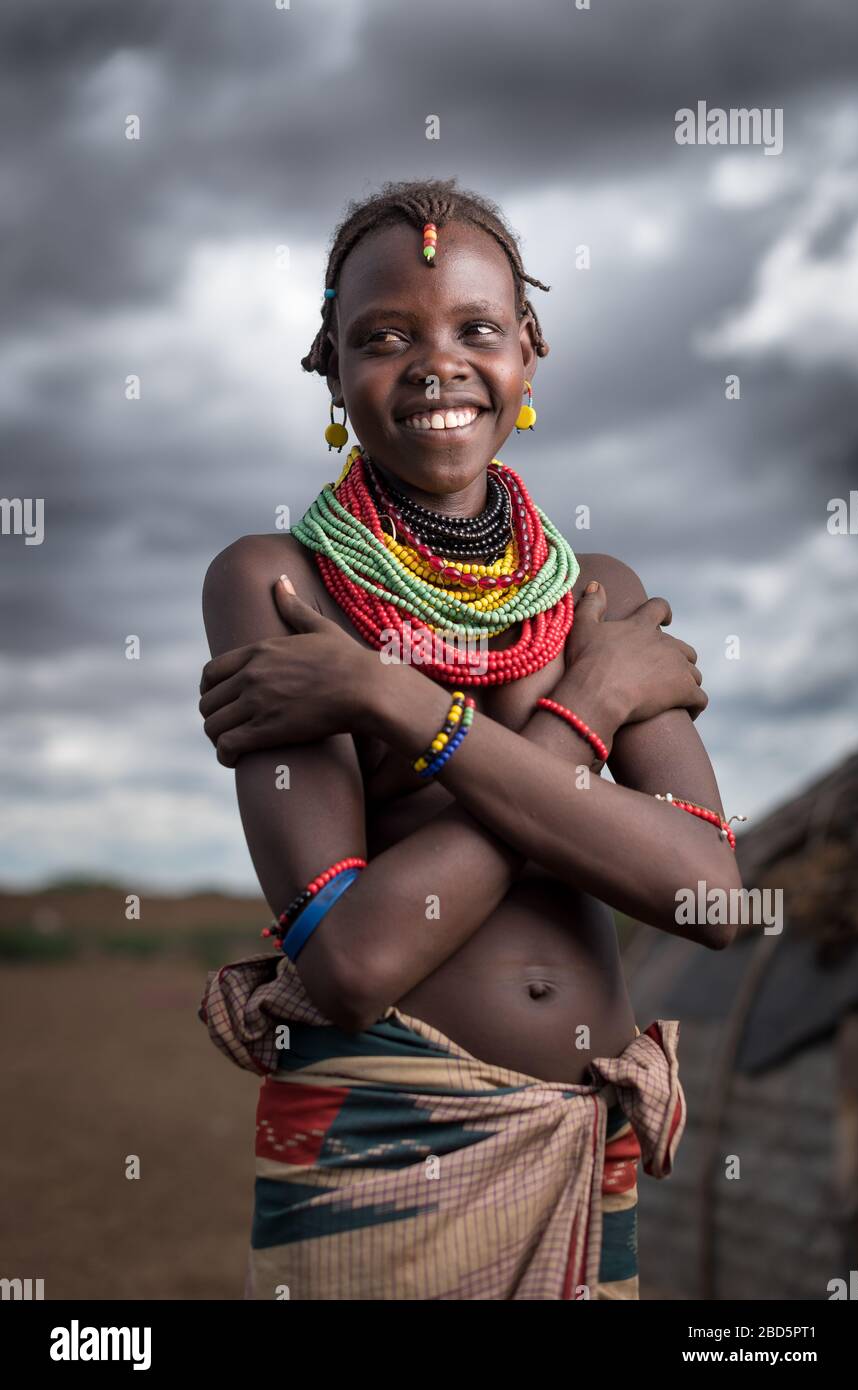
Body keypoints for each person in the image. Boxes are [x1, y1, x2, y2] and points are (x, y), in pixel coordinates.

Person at [197, 178, 742, 1301]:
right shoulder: (279, 584)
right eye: (385, 336)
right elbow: (349, 963)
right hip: (382, 1141)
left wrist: (395, 705)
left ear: (530, 353)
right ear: (332, 369)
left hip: (588, 1146)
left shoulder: (600, 594)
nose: (436, 363)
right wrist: (583, 718)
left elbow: (712, 900)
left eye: (476, 330)